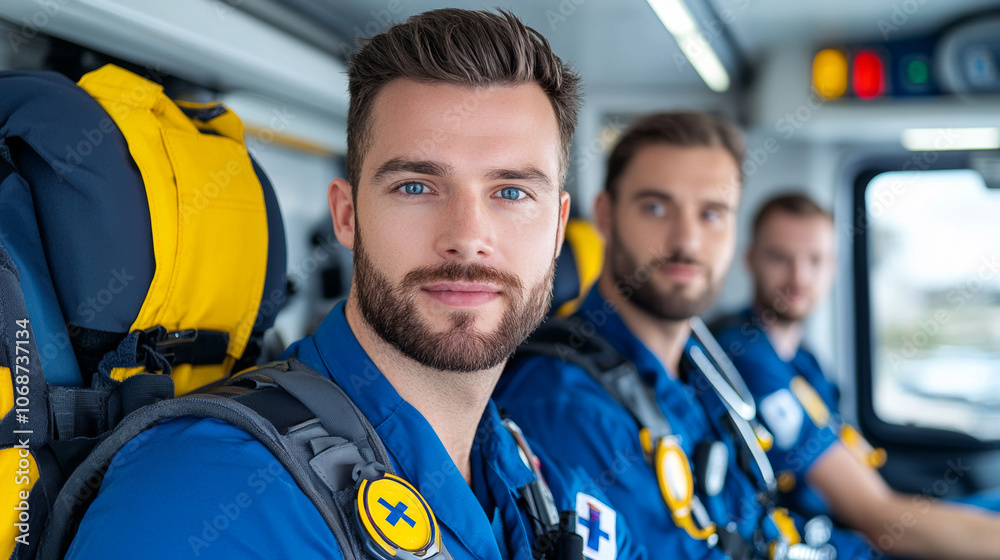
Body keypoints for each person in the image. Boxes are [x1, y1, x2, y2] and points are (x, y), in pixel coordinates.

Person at [64, 9, 640, 560]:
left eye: (511, 192)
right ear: (346, 215)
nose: (468, 237)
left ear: (559, 227)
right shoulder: (208, 494)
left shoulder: (529, 475)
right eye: (416, 186)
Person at [496, 111, 874, 559]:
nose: (688, 240)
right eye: (656, 208)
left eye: (712, 213)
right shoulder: (564, 403)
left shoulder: (702, 368)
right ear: (607, 216)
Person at [712, 193, 1000, 559]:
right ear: (750, 260)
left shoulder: (804, 361)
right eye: (780, 258)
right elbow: (876, 516)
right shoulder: (745, 354)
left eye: (814, 260)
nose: (799, 276)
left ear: (832, 266)